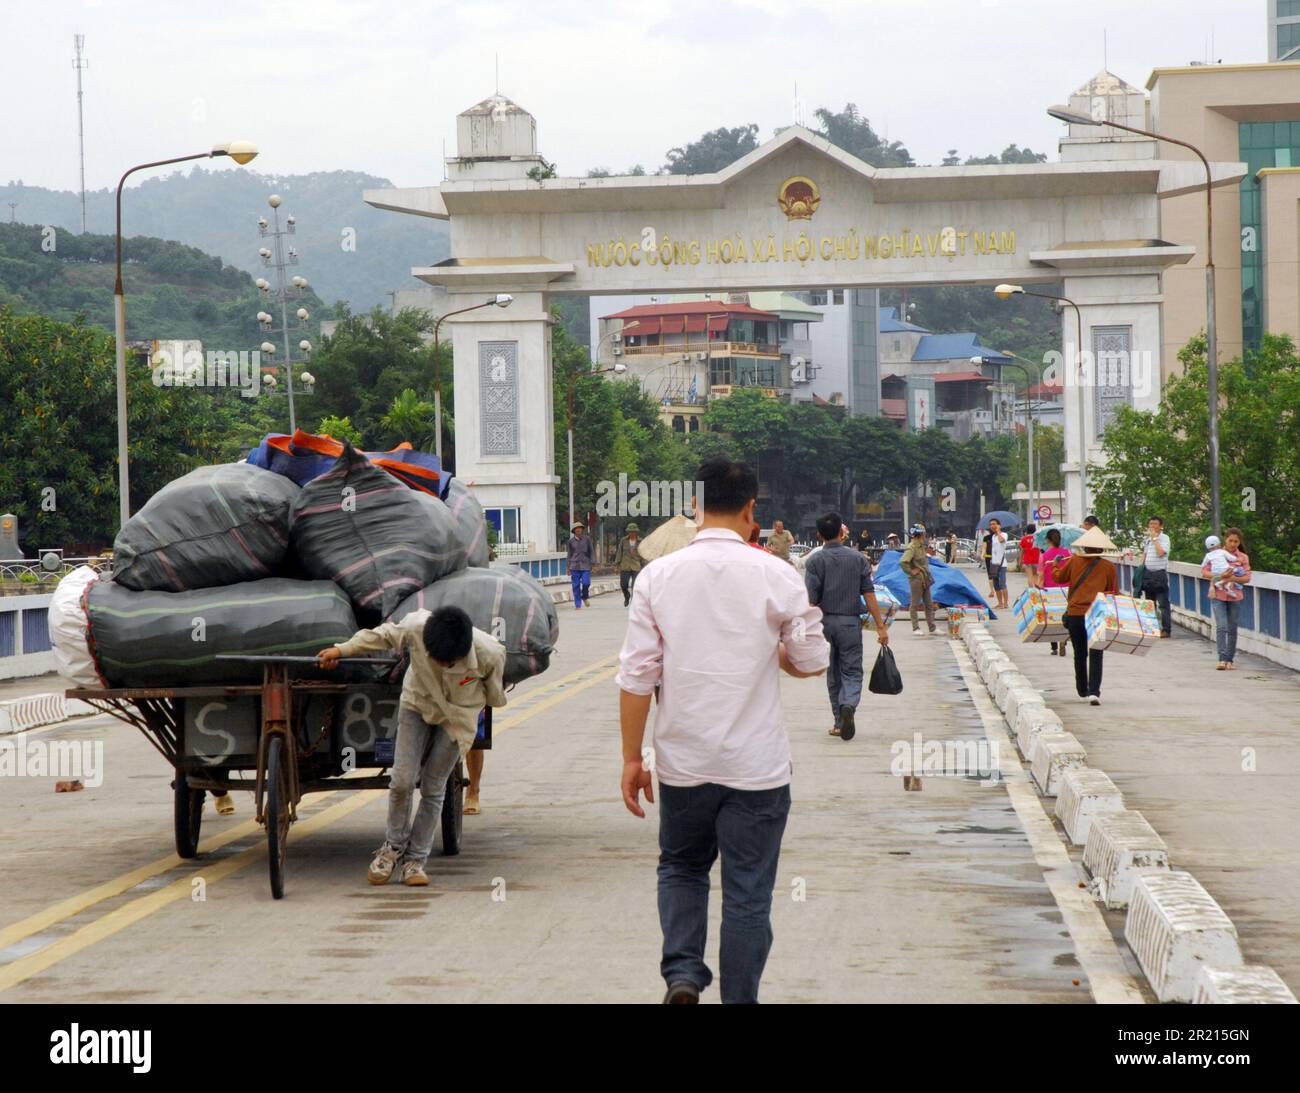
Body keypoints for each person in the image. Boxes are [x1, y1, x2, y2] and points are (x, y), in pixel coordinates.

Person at [616, 458, 830, 1005]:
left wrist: (631, 759)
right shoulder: (778, 574)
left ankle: (684, 975)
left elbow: (638, 676)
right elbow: (809, 662)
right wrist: (774, 649)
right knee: (748, 894)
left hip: (684, 764)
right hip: (757, 770)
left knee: (682, 868)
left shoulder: (656, 576)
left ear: (694, 506)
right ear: (751, 509)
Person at [318, 605, 507, 886]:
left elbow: (494, 694)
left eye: (449, 663)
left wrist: (474, 707)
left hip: (456, 718)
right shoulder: (416, 626)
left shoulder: (489, 653)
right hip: (417, 704)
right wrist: (341, 650)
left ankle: (416, 860)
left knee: (433, 786)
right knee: (402, 780)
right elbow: (381, 636)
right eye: (436, 660)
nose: (443, 666)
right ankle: (391, 850)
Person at [805, 512, 889, 738]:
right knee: (851, 670)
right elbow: (869, 595)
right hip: (850, 624)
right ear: (842, 533)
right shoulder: (859, 560)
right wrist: (880, 626)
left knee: (833, 672)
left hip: (825, 623)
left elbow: (810, 600)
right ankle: (848, 705)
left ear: (819, 535)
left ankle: (838, 722)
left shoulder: (814, 561)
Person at [1050, 526, 1120, 705]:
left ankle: (1082, 690)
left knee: (1080, 653)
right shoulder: (1109, 567)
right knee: (1096, 652)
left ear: (1085, 547)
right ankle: (1094, 692)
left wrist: (1056, 565)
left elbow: (1059, 578)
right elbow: (1113, 593)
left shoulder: (1074, 561)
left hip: (1075, 614)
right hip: (1097, 614)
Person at [1202, 528, 1252, 670]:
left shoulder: (1242, 557)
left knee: (1232, 628)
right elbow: (1204, 572)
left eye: (1236, 541)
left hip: (1235, 595)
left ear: (1239, 542)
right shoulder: (1215, 554)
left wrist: (1232, 578)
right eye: (1230, 540)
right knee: (1222, 626)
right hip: (1218, 594)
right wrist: (1218, 577)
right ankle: (1222, 659)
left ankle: (1230, 659)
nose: (1233, 544)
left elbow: (1247, 577)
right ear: (1225, 540)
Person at [899, 523, 937, 636]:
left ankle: (932, 628)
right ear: (920, 535)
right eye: (924, 534)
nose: (925, 536)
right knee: (914, 604)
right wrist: (911, 572)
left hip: (925, 578)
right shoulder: (912, 547)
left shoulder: (921, 546)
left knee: (929, 604)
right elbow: (903, 561)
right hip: (916, 579)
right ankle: (915, 628)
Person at [1039, 527, 1071, 657]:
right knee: (1066, 615)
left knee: (1053, 616)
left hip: (1050, 589)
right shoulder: (1068, 553)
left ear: (1048, 540)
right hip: (1067, 589)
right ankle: (1064, 638)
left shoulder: (1044, 556)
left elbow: (1040, 575)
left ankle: (1054, 647)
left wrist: (1038, 588)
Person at [1139, 516, 1172, 638]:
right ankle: (1152, 627)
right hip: (1148, 573)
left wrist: (1155, 539)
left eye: (1155, 523)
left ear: (1160, 526)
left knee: (1163, 603)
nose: (1152, 526)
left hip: (1159, 574)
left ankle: (1166, 629)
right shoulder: (1147, 540)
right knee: (1150, 603)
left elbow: (1161, 553)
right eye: (1150, 523)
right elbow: (1145, 555)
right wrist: (1140, 569)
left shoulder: (1164, 538)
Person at [981, 518, 1009, 610]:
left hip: (1001, 563)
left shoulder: (1004, 534)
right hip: (993, 563)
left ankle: (1006, 603)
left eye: (994, 524)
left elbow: (1001, 541)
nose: (992, 526)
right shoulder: (992, 537)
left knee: (1002, 583)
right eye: (991, 524)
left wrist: (998, 531)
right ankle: (1000, 603)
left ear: (999, 525)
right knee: (996, 584)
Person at [614, 522, 643, 607]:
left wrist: (645, 566)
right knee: (623, 584)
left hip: (636, 566)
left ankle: (634, 601)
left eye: (633, 531)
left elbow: (643, 554)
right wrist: (616, 565)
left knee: (635, 585)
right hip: (625, 566)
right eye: (630, 531)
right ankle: (627, 596)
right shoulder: (624, 540)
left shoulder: (640, 541)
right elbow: (619, 553)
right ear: (628, 532)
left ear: (636, 532)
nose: (632, 533)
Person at [567, 521, 594, 609]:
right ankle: (577, 604)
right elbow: (569, 555)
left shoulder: (587, 539)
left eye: (580, 529)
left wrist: (593, 562)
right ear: (574, 531)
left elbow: (591, 551)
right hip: (574, 566)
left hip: (585, 565)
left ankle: (585, 596)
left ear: (582, 530)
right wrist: (568, 567)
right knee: (576, 586)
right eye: (577, 530)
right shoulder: (570, 542)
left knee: (586, 583)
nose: (579, 531)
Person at [1019, 523, 1040, 589]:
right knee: (1035, 575)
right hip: (1036, 559)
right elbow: (1040, 549)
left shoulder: (1024, 539)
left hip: (1027, 560)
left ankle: (1031, 590)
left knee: (1029, 576)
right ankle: (1036, 589)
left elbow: (1022, 551)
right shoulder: (1037, 538)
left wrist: (1020, 560)